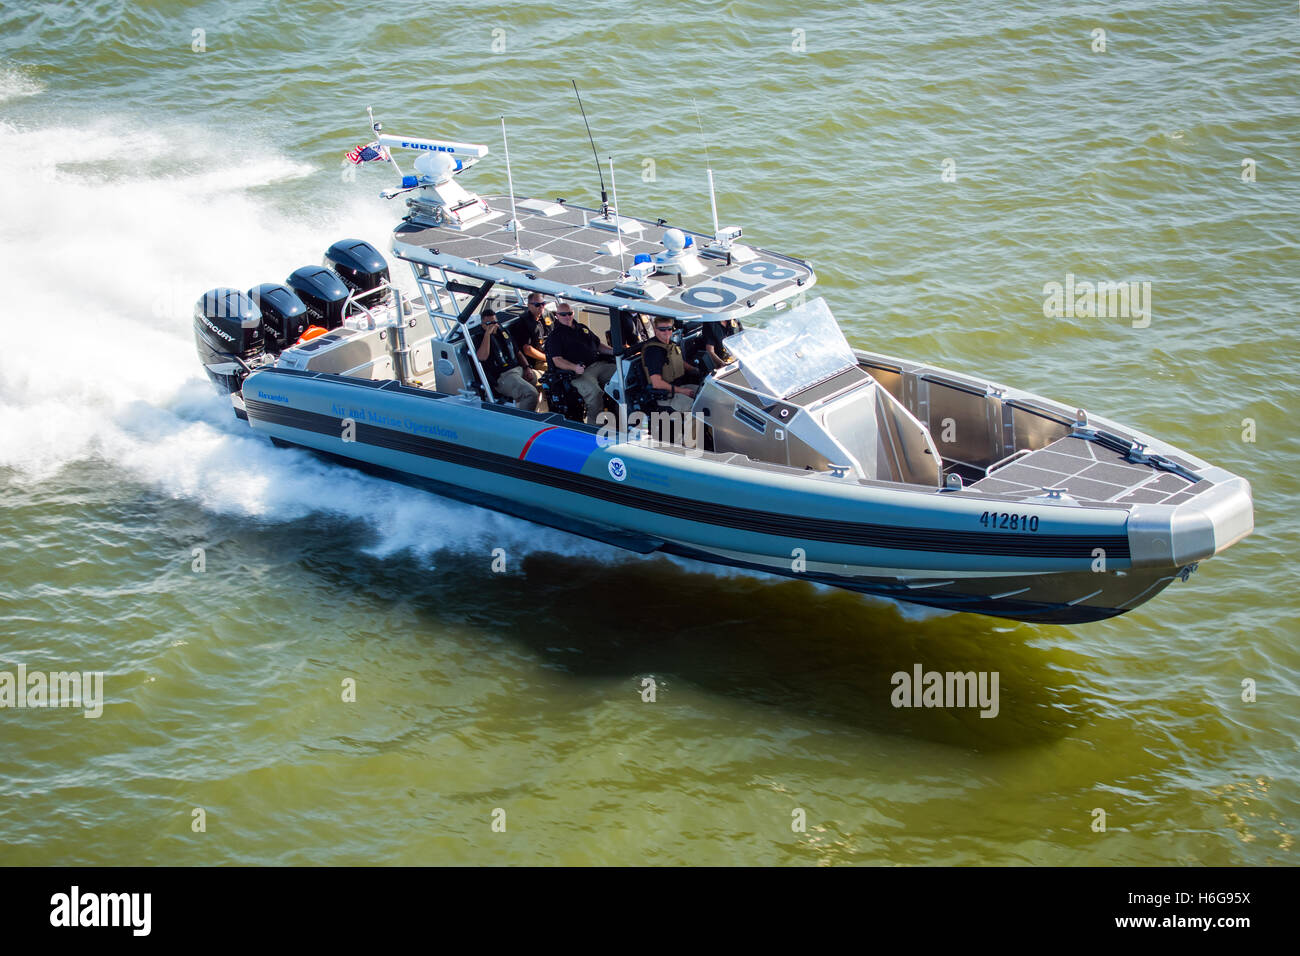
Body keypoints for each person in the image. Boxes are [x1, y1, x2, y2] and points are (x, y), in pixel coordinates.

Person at [544, 301, 615, 425]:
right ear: (557, 315)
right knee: (595, 393)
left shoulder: (581, 328)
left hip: (597, 364)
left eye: (569, 313)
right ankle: (594, 427)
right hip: (578, 373)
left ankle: (621, 416)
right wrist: (574, 367)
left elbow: (598, 345)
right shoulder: (555, 336)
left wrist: (615, 352)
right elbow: (557, 360)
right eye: (563, 314)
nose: (567, 317)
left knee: (623, 375)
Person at [471, 307, 539, 412]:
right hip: (503, 377)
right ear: (482, 325)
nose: (492, 325)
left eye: (494, 322)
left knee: (546, 381)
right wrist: (487, 334)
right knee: (530, 394)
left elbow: (518, 353)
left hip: (518, 369)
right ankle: (522, 422)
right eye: (488, 324)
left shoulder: (503, 332)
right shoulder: (479, 338)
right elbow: (482, 357)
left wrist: (527, 367)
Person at [641, 319, 700, 413]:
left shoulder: (670, 344)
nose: (666, 332)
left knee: (707, 395)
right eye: (662, 329)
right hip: (665, 395)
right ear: (655, 330)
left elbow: (679, 362)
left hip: (679, 386)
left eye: (669, 328)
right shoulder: (654, 352)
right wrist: (682, 391)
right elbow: (657, 383)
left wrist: (696, 370)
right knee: (697, 407)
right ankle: (696, 427)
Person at [511, 293, 550, 372]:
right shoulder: (523, 323)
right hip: (538, 360)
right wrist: (548, 358)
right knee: (561, 368)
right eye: (537, 305)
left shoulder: (547, 315)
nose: (541, 307)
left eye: (543, 304)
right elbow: (527, 349)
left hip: (552, 352)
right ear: (529, 305)